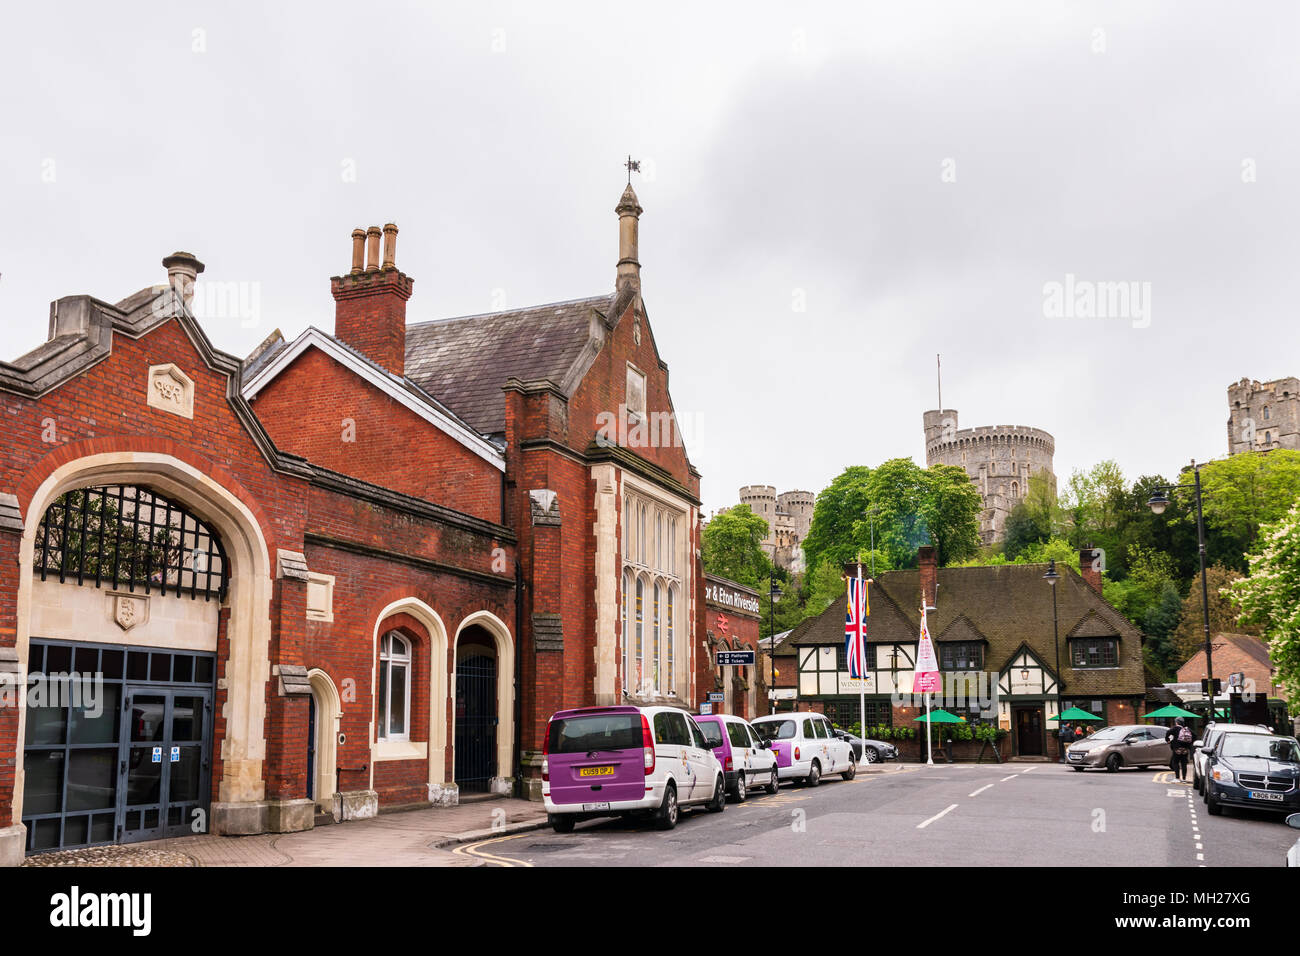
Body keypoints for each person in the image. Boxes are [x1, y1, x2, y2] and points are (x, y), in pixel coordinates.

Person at [1165, 716, 1194, 782]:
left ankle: (1177, 778)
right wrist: (1189, 744)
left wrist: (1168, 740)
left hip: (1177, 749)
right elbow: (1194, 735)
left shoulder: (1175, 728)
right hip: (1185, 749)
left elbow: (1168, 732)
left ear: (1177, 722)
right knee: (1184, 764)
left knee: (1175, 762)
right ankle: (1184, 779)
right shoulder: (1187, 729)